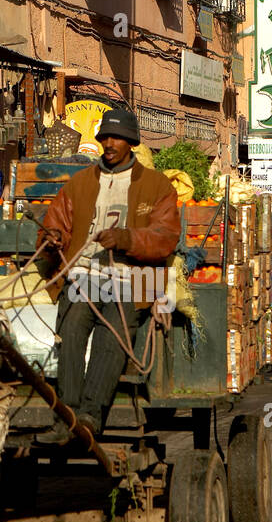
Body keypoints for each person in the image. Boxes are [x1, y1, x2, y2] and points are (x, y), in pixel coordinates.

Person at [36, 107, 179, 442]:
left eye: (116, 138)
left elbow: (165, 237)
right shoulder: (80, 183)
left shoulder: (157, 186)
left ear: (131, 142)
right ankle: (67, 415)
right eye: (104, 138)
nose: (109, 143)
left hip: (133, 280)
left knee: (112, 332)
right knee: (70, 327)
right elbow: (55, 223)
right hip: (84, 275)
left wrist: (127, 238)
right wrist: (53, 238)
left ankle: (90, 415)